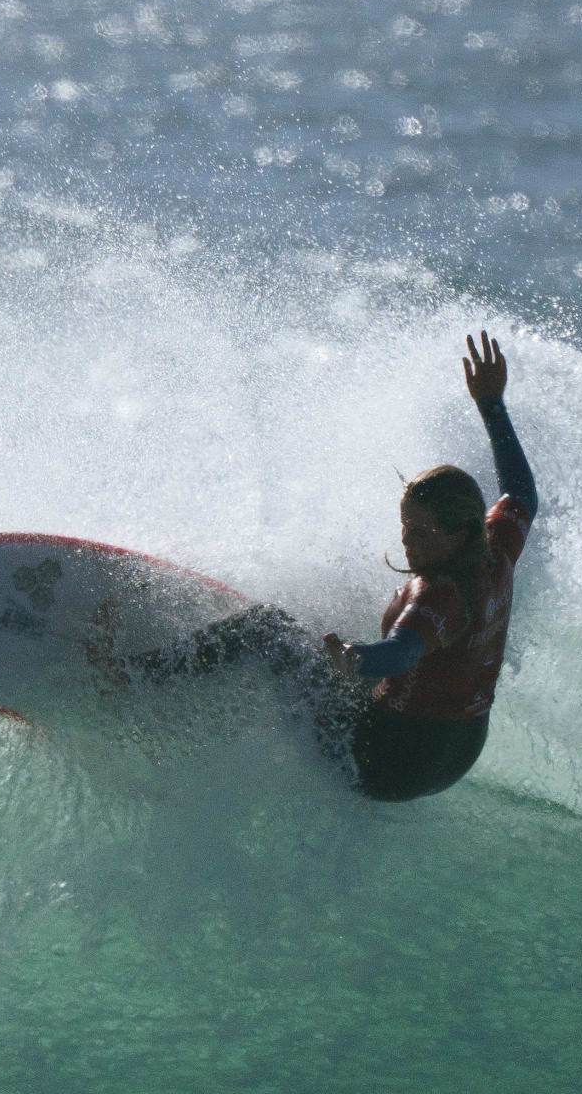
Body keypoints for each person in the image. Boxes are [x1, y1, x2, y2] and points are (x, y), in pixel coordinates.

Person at [145, 333, 539, 801]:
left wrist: (359, 659)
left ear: (458, 533)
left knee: (266, 627)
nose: (405, 541)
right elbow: (521, 492)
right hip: (456, 753)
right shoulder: (495, 547)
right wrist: (492, 404)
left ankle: (134, 676)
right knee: (314, 640)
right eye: (404, 526)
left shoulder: (439, 595)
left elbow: (404, 652)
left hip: (384, 762)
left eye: (420, 533)